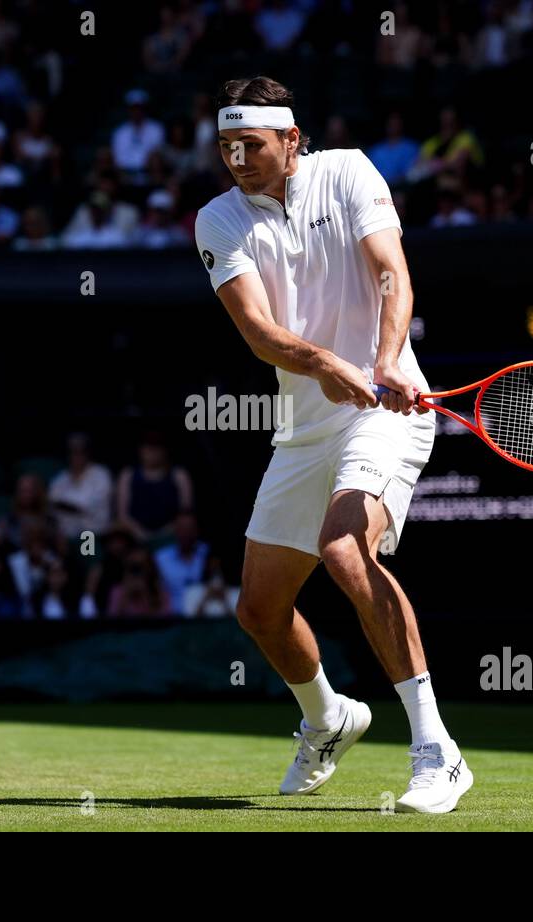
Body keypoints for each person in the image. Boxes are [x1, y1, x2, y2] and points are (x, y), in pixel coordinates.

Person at [192, 77, 470, 812]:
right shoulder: (217, 220)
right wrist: (329, 366)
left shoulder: (348, 171)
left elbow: (391, 272)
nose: (236, 158)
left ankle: (436, 751)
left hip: (388, 411)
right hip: (305, 427)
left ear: (291, 139)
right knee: (259, 608)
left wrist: (383, 360)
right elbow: (257, 332)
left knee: (346, 548)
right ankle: (329, 718)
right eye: (226, 147)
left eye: (250, 144)